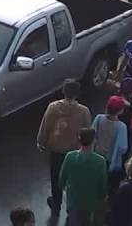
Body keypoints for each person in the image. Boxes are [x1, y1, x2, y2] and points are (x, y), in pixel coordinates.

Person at [38, 79, 92, 215]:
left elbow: (46, 126)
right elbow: (88, 130)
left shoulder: (53, 107)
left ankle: (56, 203)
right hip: (75, 149)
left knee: (55, 176)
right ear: (77, 94)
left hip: (56, 148)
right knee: (73, 178)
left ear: (63, 91)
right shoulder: (84, 111)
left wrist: (41, 141)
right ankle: (71, 207)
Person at [59, 127, 108, 226]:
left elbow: (62, 177)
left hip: (73, 199)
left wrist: (62, 187)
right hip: (89, 201)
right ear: (94, 140)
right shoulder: (100, 161)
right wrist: (102, 198)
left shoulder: (70, 156)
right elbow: (102, 184)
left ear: (79, 139)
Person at [93, 96, 130, 195]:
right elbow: (123, 148)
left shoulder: (99, 118)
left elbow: (93, 134)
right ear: (120, 111)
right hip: (110, 161)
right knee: (109, 187)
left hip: (96, 156)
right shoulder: (121, 127)